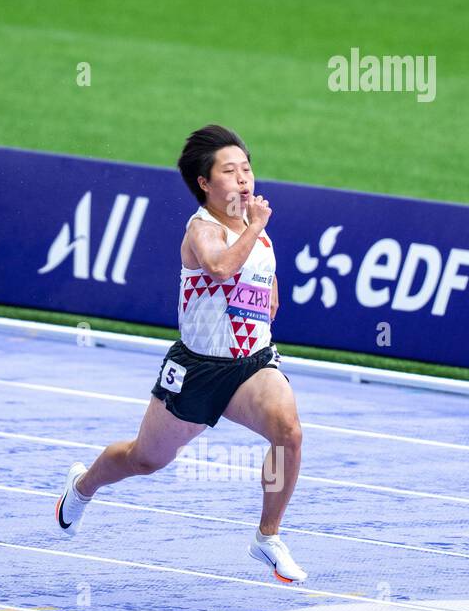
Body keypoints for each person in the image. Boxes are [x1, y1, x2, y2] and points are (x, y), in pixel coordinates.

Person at [53, 125, 307, 583]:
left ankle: (267, 536)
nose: (244, 180)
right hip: (196, 370)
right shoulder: (202, 229)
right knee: (144, 460)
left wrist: (264, 300)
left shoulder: (256, 230)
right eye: (229, 172)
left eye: (246, 169)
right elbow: (220, 266)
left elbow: (264, 285)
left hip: (251, 365)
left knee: (288, 431)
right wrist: (256, 228)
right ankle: (83, 486)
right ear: (205, 184)